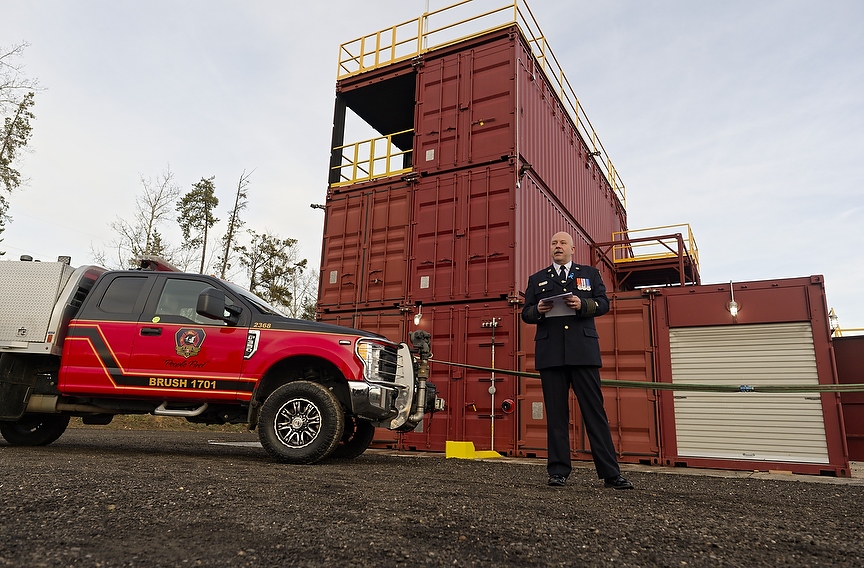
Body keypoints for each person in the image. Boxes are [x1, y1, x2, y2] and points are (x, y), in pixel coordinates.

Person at [521, 231, 633, 490]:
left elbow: (604, 304)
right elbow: (525, 313)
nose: (557, 246)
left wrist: (583, 304)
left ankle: (610, 474)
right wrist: (536, 310)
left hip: (583, 352)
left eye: (562, 243)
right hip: (551, 354)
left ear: (573, 249)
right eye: (553, 243)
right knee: (556, 416)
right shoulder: (537, 279)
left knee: (595, 413)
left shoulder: (590, 274)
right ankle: (558, 471)